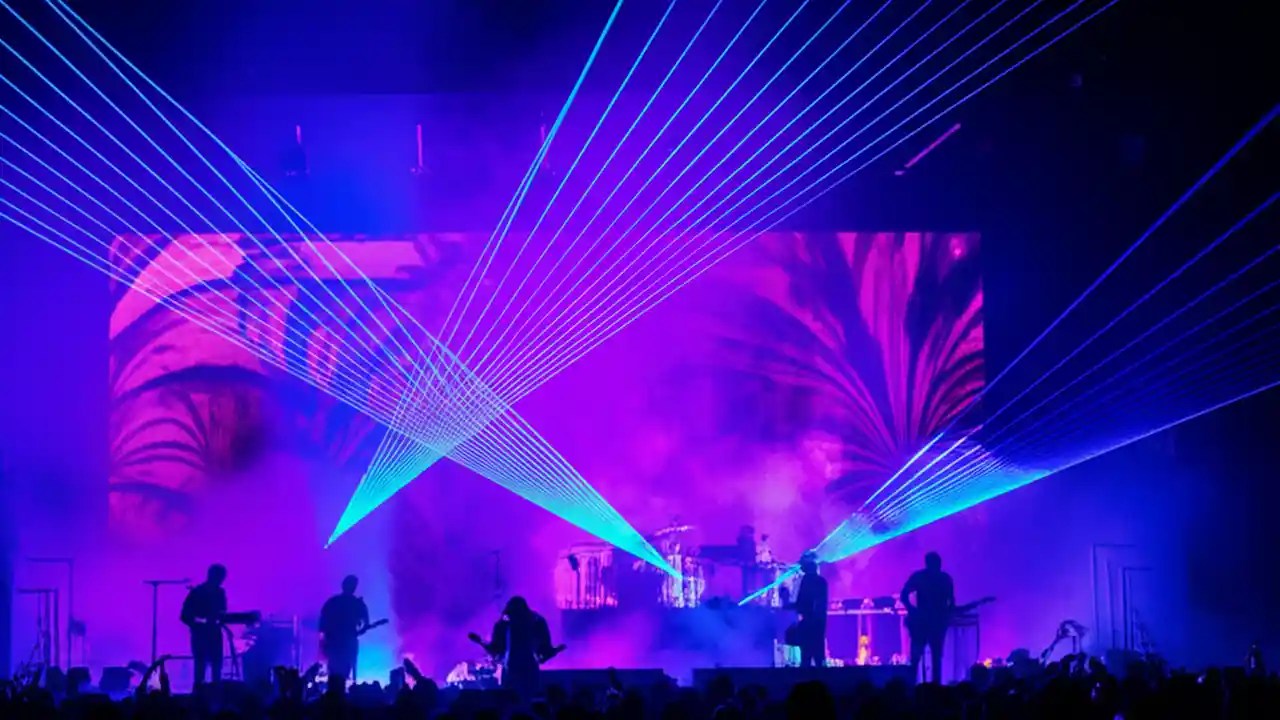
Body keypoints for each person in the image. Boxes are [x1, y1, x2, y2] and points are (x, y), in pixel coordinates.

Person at [469, 596, 559, 698]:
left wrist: (481, 642)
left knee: (512, 702)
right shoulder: (536, 621)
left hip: (514, 671)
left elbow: (495, 650)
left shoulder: (504, 624)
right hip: (523, 671)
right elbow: (545, 651)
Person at [901, 551, 955, 684]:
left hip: (927, 623)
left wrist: (912, 610)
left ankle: (914, 687)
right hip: (929, 623)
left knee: (925, 657)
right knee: (929, 657)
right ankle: (926, 687)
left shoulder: (923, 577)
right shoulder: (943, 578)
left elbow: (904, 595)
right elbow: (952, 602)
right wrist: (912, 610)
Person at [180, 564, 228, 687]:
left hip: (215, 634)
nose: (221, 580)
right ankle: (199, 695)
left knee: (216, 667)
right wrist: (202, 622)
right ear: (211, 576)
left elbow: (223, 612)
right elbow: (184, 616)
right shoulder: (197, 592)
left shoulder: (220, 592)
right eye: (219, 577)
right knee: (200, 667)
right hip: (200, 635)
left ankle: (216, 695)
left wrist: (220, 619)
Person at [320, 575, 371, 687]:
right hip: (347, 641)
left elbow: (322, 622)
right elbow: (366, 624)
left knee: (334, 668)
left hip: (335, 641)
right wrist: (359, 632)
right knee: (347, 666)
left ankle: (334, 690)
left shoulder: (333, 602)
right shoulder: (357, 604)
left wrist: (325, 639)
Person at [782, 551, 828, 668]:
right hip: (819, 623)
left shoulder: (807, 581)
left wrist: (787, 603)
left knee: (806, 656)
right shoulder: (821, 581)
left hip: (810, 623)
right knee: (819, 656)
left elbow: (803, 603)